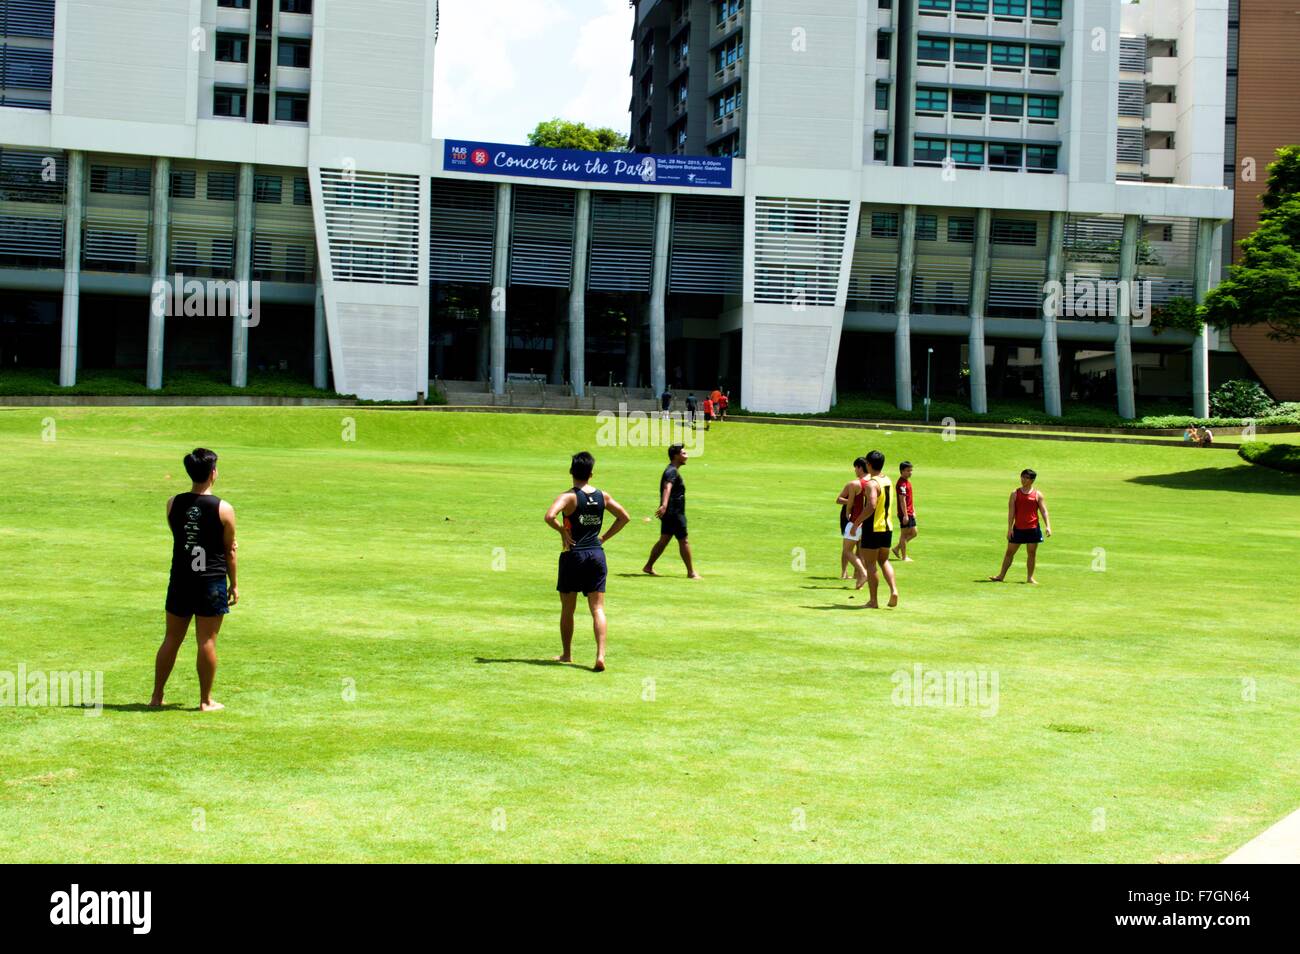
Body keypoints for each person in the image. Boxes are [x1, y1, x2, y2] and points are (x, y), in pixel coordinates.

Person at [150, 448, 238, 712]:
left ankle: (156, 696)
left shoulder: (172, 503)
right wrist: (234, 584)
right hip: (210, 582)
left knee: (171, 639)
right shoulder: (224, 508)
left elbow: (180, 535)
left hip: (180, 580)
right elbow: (229, 550)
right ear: (213, 473)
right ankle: (205, 700)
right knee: (207, 641)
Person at [544, 452, 630, 672]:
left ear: (571, 471)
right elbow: (624, 517)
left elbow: (549, 516)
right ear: (591, 474)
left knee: (568, 609)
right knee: (597, 608)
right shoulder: (603, 496)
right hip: (596, 555)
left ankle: (567, 653)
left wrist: (562, 531)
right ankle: (600, 655)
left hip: (573, 555)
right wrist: (603, 538)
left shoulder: (568, 497)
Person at [643, 443, 701, 579]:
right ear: (676, 456)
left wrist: (664, 507)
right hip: (675, 512)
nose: (686, 455)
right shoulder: (672, 471)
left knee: (664, 540)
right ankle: (691, 572)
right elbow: (667, 487)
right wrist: (664, 505)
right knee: (684, 540)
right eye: (684, 453)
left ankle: (648, 566)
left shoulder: (671, 470)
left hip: (671, 512)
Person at [990, 468, 1053, 585]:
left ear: (1032, 480)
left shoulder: (1038, 494)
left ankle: (1030, 578)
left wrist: (1048, 526)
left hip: (1033, 529)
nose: (1023, 479)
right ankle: (1001, 576)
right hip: (1018, 529)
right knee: (1009, 553)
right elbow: (1011, 512)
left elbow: (1044, 511)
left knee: (1032, 553)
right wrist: (1009, 529)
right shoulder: (1015, 494)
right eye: (1022, 477)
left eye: (1026, 478)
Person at [854, 450, 899, 608]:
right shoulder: (887, 480)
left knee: (871, 564)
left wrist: (856, 522)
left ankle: (873, 601)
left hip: (873, 528)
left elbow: (871, 505)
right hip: (887, 527)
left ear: (869, 464)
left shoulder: (871, 484)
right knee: (884, 560)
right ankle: (894, 590)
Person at [836, 457, 871, 590]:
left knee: (847, 550)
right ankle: (859, 582)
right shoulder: (875, 482)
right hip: (869, 523)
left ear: (859, 467)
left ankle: (862, 573)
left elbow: (849, 503)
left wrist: (847, 514)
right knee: (861, 551)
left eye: (855, 468)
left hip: (856, 521)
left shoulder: (854, 484)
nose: (855, 471)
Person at [892, 461, 918, 562]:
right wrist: (905, 515)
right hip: (905, 513)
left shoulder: (907, 482)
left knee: (914, 532)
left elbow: (910, 499)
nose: (910, 472)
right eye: (908, 470)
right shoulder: (902, 484)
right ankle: (904, 557)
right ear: (902, 471)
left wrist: (913, 510)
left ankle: (897, 548)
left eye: (911, 470)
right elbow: (902, 500)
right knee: (904, 534)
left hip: (910, 512)